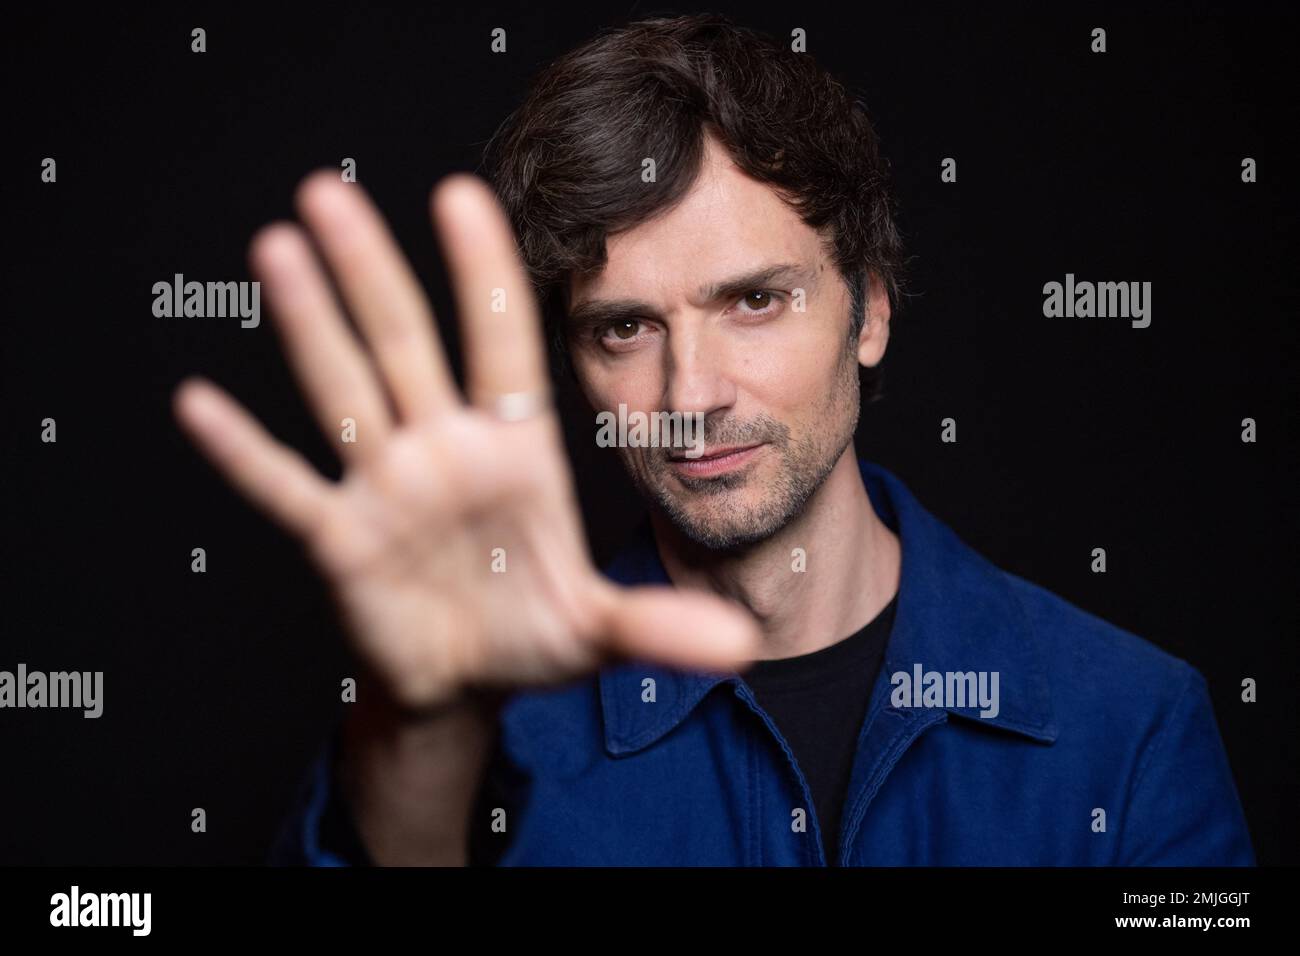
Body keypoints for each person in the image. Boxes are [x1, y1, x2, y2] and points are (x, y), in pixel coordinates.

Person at [172, 14, 1254, 866]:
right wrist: (416, 738)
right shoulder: (486, 733)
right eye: (625, 327)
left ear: (868, 311)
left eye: (751, 301)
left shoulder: (1130, 722)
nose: (689, 392)